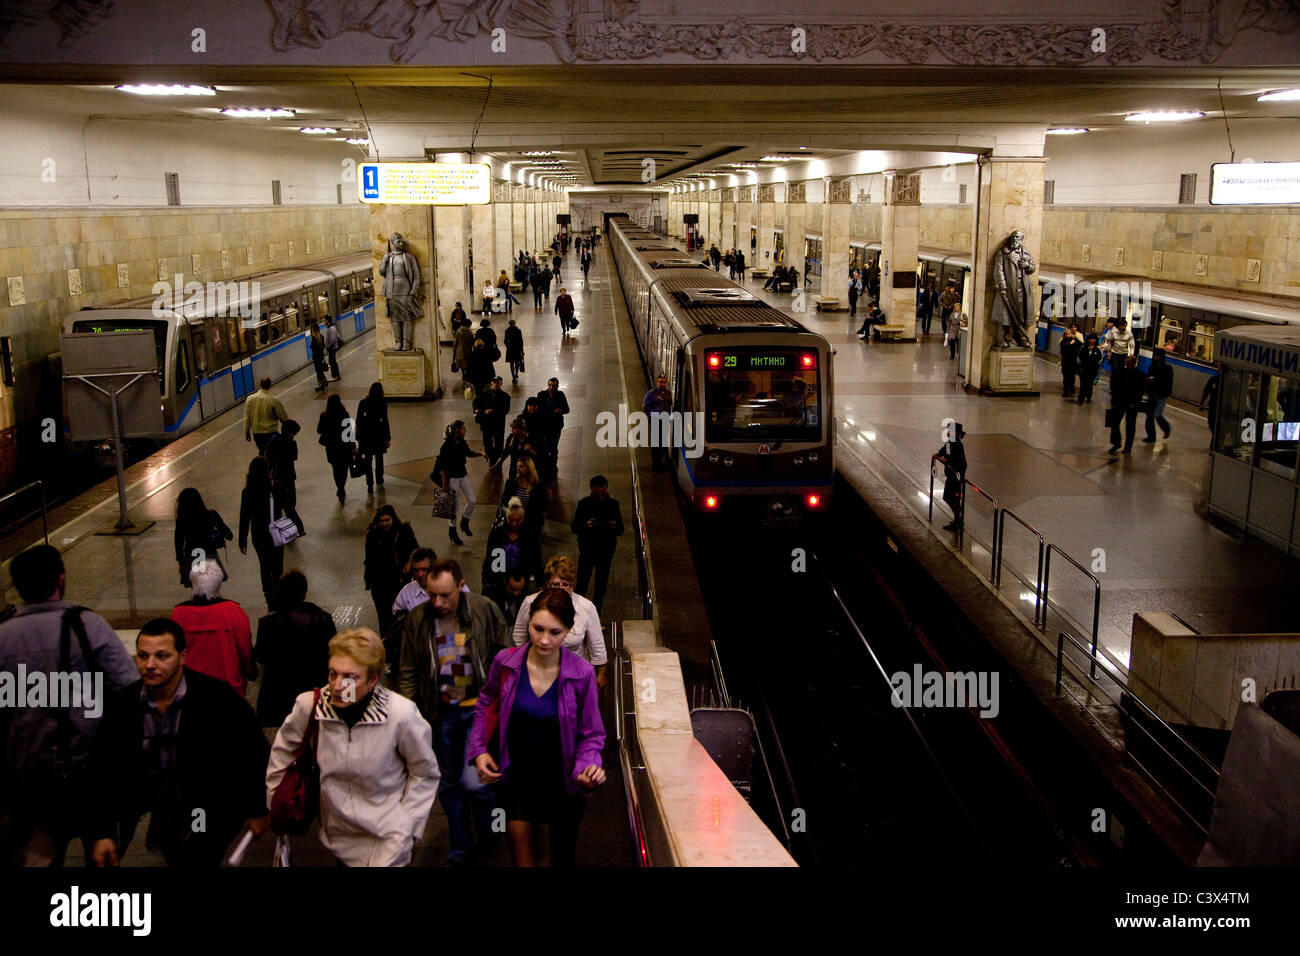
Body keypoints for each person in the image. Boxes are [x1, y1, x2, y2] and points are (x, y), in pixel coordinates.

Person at [88, 618, 270, 868]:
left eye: (161, 656)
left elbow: (252, 751)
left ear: (182, 657)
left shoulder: (217, 699)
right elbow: (102, 769)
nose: (149, 665)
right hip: (159, 805)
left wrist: (257, 807)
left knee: (197, 852)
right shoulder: (124, 706)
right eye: (142, 656)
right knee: (176, 853)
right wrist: (103, 831)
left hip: (203, 807)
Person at [0, 545, 139, 866]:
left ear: (18, 587)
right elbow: (130, 689)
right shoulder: (88, 626)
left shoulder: (3, 638)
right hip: (90, 779)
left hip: (28, 785)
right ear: (61, 580)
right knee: (102, 856)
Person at [268, 629, 440, 867]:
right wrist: (276, 802)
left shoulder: (400, 715)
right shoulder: (310, 707)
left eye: (349, 677)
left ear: (373, 679)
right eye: (332, 673)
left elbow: (425, 772)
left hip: (388, 838)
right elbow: (283, 753)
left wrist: (408, 826)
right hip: (338, 836)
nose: (337, 686)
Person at [470, 588, 606, 868]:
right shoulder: (505, 663)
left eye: (554, 632)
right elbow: (485, 703)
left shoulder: (582, 674)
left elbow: (591, 733)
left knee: (562, 858)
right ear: (528, 623)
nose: (544, 640)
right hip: (516, 777)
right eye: (538, 629)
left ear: (568, 630)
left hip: (562, 782)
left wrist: (587, 767)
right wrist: (480, 749)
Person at [397, 559, 508, 867]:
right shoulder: (418, 619)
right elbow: (407, 669)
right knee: (448, 785)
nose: (437, 602)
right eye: (432, 594)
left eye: (445, 595)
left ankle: (490, 834)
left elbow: (504, 653)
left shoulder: (484, 609)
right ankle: (460, 849)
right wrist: (412, 715)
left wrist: (501, 702)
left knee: (476, 783)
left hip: (478, 711)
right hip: (440, 713)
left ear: (461, 586)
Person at [252, 570, 337, 728]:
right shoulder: (323, 620)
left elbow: (260, 656)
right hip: (314, 691)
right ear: (304, 591)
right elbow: (334, 655)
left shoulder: (267, 623)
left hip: (279, 697)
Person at [511, 557, 608, 687]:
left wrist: (600, 675)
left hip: (573, 677)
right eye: (556, 584)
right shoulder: (530, 602)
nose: (560, 589)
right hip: (536, 674)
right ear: (547, 584)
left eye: (565, 584)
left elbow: (597, 649)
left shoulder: (587, 608)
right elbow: (518, 639)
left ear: (572, 585)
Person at [169, 563, 255, 697]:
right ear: (219, 585)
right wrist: (250, 670)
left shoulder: (179, 614)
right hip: (228, 687)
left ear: (193, 584)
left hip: (191, 688)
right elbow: (244, 648)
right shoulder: (232, 611)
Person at [238, 456, 302, 607]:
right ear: (268, 471)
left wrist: (242, 540)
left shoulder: (247, 492)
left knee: (264, 565)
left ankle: (268, 595)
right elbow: (290, 509)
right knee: (277, 564)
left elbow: (244, 516)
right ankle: (279, 590)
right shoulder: (276, 487)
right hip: (276, 533)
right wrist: (299, 526)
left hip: (258, 534)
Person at [364, 504, 419, 639]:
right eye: (381, 521)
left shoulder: (404, 530)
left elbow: (415, 549)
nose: (384, 524)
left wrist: (408, 563)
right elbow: (370, 557)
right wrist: (369, 580)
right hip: (380, 582)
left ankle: (400, 643)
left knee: (400, 616)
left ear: (393, 519)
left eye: (387, 520)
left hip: (400, 581)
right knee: (383, 617)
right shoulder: (372, 535)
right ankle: (387, 645)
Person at [571, 475, 625, 609]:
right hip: (587, 549)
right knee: (582, 583)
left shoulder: (613, 505)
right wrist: (586, 524)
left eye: (603, 491)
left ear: (606, 488)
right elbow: (574, 527)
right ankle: (577, 611)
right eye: (597, 492)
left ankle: (596, 613)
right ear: (592, 490)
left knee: (601, 585)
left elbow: (621, 530)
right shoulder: (583, 504)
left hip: (605, 551)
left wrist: (614, 525)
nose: (600, 495)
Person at [434, 420, 485, 546]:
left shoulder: (461, 442)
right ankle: (452, 531)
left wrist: (481, 453)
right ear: (457, 430)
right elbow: (443, 466)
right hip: (452, 479)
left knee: (472, 500)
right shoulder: (446, 446)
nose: (465, 431)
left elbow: (468, 453)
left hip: (463, 475)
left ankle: (465, 521)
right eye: (463, 428)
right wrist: (445, 484)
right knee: (454, 506)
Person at [173, 487, 232, 588]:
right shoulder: (212, 515)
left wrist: (181, 561)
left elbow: (178, 542)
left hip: (193, 558)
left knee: (196, 589)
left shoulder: (182, 519)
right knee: (212, 589)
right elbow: (229, 535)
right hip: (210, 557)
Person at [482, 501, 542, 601]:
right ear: (506, 517)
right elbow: (489, 558)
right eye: (511, 519)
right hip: (499, 579)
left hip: (520, 581)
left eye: (518, 520)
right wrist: (485, 580)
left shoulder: (531, 536)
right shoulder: (497, 534)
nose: (514, 523)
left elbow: (536, 560)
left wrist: (540, 583)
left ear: (523, 518)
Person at [317, 392, 354, 504]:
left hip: (331, 447)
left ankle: (340, 487)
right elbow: (349, 432)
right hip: (344, 447)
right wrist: (353, 446)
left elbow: (319, 430)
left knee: (335, 468)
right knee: (344, 469)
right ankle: (342, 486)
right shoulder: (344, 413)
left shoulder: (324, 415)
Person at [265, 420, 303, 529]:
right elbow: (294, 457)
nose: (294, 436)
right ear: (288, 433)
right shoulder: (287, 444)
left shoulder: (274, 441)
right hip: (286, 478)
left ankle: (283, 527)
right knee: (290, 505)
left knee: (278, 507)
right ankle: (299, 527)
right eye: (293, 434)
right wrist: (292, 444)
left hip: (277, 478)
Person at [501, 456, 548, 540]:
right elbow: (504, 500)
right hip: (514, 516)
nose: (518, 469)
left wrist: (525, 511)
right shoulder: (511, 482)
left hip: (531, 519)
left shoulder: (538, 486)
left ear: (529, 468)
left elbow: (543, 505)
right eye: (517, 466)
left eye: (521, 466)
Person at [356, 381, 391, 494]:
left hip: (366, 437)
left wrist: (358, 437)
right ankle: (379, 479)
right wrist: (388, 437)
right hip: (378, 436)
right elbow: (385, 421)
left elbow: (358, 421)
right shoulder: (382, 403)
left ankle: (369, 483)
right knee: (379, 458)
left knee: (368, 460)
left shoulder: (363, 403)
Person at [1108, 354, 1144, 455]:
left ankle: (1128, 447)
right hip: (1120, 402)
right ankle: (1116, 442)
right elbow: (1115, 387)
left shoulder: (1140, 376)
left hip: (1132, 404)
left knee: (1130, 426)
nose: (1127, 364)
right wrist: (1113, 401)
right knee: (1114, 423)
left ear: (1134, 363)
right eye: (1126, 362)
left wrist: (1135, 402)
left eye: (1129, 362)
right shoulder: (1120, 373)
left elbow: (1140, 391)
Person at [935, 423, 967, 532]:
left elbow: (953, 459)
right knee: (951, 498)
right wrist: (938, 455)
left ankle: (958, 520)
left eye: (950, 430)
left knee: (949, 497)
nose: (948, 432)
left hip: (955, 476)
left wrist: (943, 460)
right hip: (951, 474)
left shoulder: (957, 444)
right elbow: (943, 451)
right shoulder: (950, 442)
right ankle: (957, 520)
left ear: (956, 433)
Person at [391, 547, 438, 618]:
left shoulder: (448, 589)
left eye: (424, 569)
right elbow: (397, 623)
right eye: (416, 570)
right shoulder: (406, 593)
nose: (419, 575)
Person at [475, 376, 512, 468]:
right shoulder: (485, 394)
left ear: (501, 384)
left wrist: (493, 411)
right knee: (487, 443)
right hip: (486, 423)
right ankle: (492, 458)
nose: (496, 384)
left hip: (498, 423)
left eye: (498, 383)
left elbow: (506, 410)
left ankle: (497, 460)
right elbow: (476, 402)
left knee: (499, 443)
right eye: (494, 382)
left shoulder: (505, 397)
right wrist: (477, 409)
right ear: (492, 383)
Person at [243, 377, 287, 454]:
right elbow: (283, 417)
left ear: (260, 385)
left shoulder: (250, 399)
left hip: (257, 433)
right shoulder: (273, 400)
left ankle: (263, 462)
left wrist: (247, 432)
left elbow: (247, 418)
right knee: (273, 453)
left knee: (262, 451)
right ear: (270, 386)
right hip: (271, 432)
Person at [643, 373, 673, 471]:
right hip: (655, 418)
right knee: (656, 443)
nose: (662, 384)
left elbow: (670, 404)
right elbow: (644, 406)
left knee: (663, 442)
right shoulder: (651, 393)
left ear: (666, 383)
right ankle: (656, 464)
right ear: (657, 382)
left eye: (664, 382)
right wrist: (650, 415)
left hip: (665, 419)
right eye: (660, 382)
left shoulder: (668, 393)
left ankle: (660, 462)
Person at [1143, 349, 1174, 443]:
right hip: (1152, 395)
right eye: (1155, 355)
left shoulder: (1168, 368)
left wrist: (1155, 379)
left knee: (1158, 414)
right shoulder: (1152, 367)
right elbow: (1148, 378)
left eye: (1157, 356)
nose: (1155, 357)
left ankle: (1167, 428)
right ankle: (1151, 436)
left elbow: (1166, 382)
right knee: (1149, 417)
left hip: (1162, 395)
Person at [537, 377, 570, 453]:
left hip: (556, 426)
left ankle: (553, 462)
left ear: (557, 386)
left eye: (554, 386)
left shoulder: (560, 395)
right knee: (544, 446)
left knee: (554, 447)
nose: (551, 388)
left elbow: (567, 409)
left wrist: (560, 410)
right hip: (544, 425)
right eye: (550, 385)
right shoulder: (542, 395)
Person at [1076, 333, 1104, 405]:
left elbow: (1100, 358)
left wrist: (1096, 364)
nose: (1092, 340)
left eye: (1093, 339)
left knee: (1089, 383)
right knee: (1083, 384)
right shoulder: (1083, 348)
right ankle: (1081, 398)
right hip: (1083, 368)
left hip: (1093, 369)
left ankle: (1088, 396)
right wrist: (1080, 366)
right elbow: (1079, 357)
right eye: (1090, 339)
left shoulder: (1097, 349)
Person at [1059, 324, 1082, 399]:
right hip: (1065, 362)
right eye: (1066, 334)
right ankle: (1065, 391)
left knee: (1072, 377)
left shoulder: (1075, 341)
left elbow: (1081, 345)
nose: (1068, 335)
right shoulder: (1063, 342)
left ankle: (1072, 391)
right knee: (1065, 378)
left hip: (1073, 362)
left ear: (1071, 334)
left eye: (1069, 333)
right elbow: (1063, 351)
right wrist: (1070, 344)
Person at [453, 314, 475, 385]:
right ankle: (467, 376)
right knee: (467, 364)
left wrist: (454, 350)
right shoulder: (470, 332)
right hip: (468, 350)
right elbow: (473, 342)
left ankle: (464, 375)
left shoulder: (459, 331)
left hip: (460, 350)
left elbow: (455, 342)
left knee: (462, 365)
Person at [504, 317, 525, 384]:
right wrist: (522, 350)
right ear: (515, 324)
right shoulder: (518, 330)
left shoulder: (507, 331)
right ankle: (516, 374)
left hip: (510, 349)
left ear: (509, 324)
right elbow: (521, 341)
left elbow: (505, 341)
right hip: (517, 348)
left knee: (511, 363)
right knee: (517, 362)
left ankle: (513, 376)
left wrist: (508, 347)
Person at [308, 324, 328, 391]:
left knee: (318, 371)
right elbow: (323, 346)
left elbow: (313, 346)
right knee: (321, 370)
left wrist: (311, 346)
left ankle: (320, 384)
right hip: (321, 356)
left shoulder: (314, 338)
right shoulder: (321, 336)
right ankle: (324, 381)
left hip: (316, 357)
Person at [1201, 371, 1221, 437]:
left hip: (1217, 406)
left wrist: (1201, 403)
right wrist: (1201, 403)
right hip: (1213, 405)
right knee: (1211, 422)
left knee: (1213, 423)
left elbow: (1206, 392)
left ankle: (1215, 438)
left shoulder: (1214, 379)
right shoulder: (1213, 379)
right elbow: (1206, 392)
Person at [322, 315, 342, 381]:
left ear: (327, 321)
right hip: (331, 348)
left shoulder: (332, 329)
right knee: (332, 362)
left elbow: (332, 340)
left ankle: (336, 375)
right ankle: (335, 375)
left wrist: (328, 346)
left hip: (332, 348)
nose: (323, 322)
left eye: (324, 320)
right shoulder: (330, 328)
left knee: (333, 362)